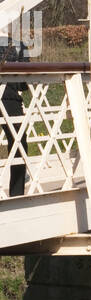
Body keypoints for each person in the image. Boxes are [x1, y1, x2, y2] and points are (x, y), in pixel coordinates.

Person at [0, 35, 28, 197]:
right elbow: (24, 84)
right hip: (10, 98)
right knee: (18, 143)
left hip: (9, 98)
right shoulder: (18, 45)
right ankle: (16, 193)